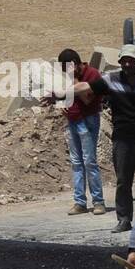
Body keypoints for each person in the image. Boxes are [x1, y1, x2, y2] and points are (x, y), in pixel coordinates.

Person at [62, 43, 135, 232]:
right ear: (120, 62)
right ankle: (124, 220)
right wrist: (60, 94)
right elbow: (86, 88)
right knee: (123, 181)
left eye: (131, 61)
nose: (127, 64)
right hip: (123, 140)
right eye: (124, 60)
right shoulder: (111, 80)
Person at [52, 49, 105, 216]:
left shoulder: (93, 74)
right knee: (76, 162)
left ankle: (98, 201)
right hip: (73, 120)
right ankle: (80, 202)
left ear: (74, 63)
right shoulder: (70, 75)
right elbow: (69, 97)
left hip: (88, 121)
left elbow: (87, 99)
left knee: (89, 161)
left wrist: (74, 80)